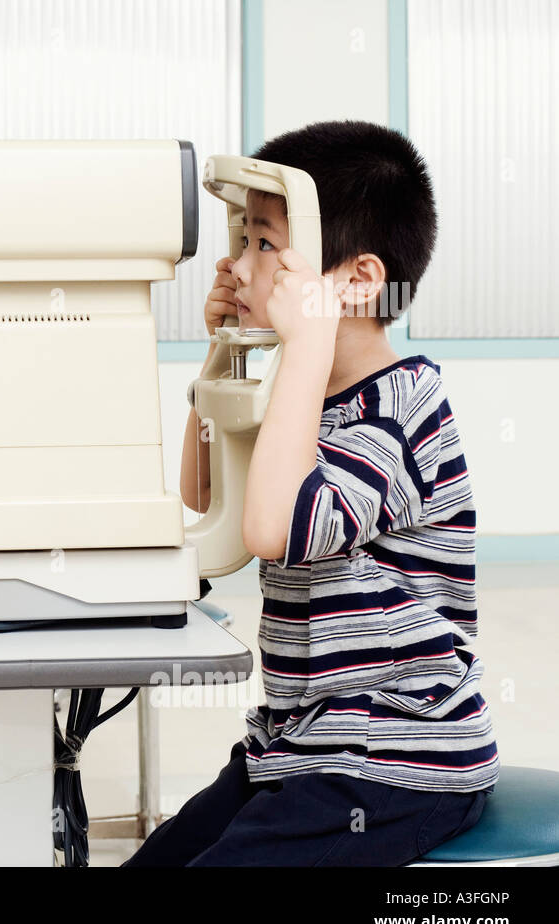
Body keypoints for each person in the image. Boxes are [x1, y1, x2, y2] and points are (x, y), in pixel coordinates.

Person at [127, 120, 498, 867]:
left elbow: (275, 528)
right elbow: (211, 506)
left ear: (357, 281)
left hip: (394, 759)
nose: (240, 264)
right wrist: (224, 350)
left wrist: (303, 348)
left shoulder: (400, 405)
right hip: (301, 746)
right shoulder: (306, 398)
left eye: (266, 245)